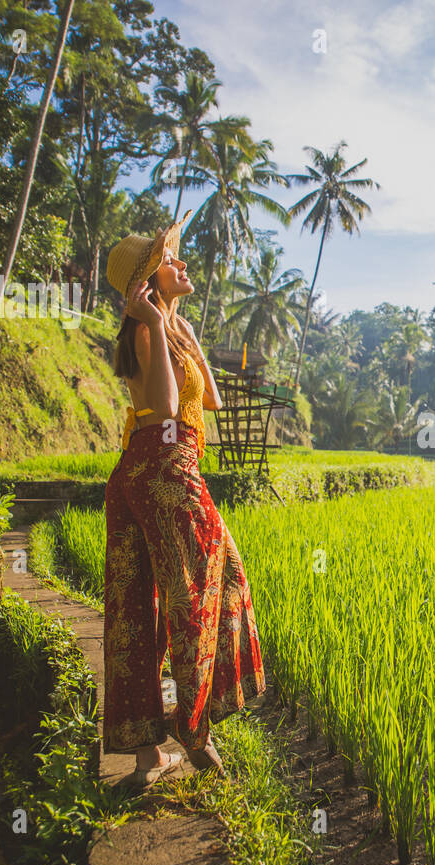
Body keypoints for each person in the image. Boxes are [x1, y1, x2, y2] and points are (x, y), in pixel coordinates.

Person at [101, 211, 265, 787]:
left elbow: (211, 402)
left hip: (146, 469)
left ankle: (149, 755)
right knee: (208, 585)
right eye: (170, 259)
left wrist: (187, 335)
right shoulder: (146, 330)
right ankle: (193, 730)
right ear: (145, 282)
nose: (182, 261)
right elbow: (169, 410)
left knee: (138, 607)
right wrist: (150, 315)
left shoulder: (169, 330)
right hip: (164, 463)